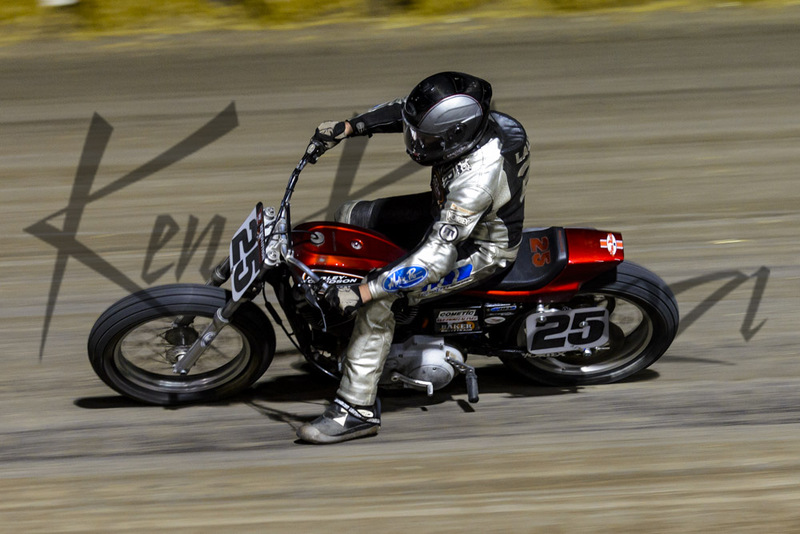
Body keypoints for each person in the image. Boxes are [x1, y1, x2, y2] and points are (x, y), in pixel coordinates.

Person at [296, 71, 531, 444]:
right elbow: (407, 113)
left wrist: (364, 292)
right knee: (351, 216)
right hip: (447, 209)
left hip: (481, 248)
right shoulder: (480, 125)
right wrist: (350, 127)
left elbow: (434, 260)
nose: (416, 143)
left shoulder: (476, 181)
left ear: (456, 137)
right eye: (416, 134)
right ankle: (359, 340)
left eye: (427, 140)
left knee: (378, 305)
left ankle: (356, 411)